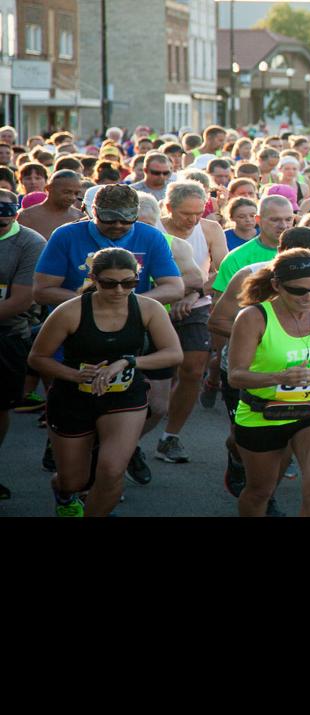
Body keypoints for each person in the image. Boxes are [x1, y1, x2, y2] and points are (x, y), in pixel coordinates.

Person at [27, 248, 183, 515]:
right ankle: (64, 494)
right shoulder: (70, 311)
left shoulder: (148, 308)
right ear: (94, 279)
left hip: (123, 395)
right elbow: (37, 358)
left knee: (111, 471)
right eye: (110, 283)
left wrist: (129, 362)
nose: (120, 290)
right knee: (74, 481)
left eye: (129, 283)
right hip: (73, 397)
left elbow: (173, 353)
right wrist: (75, 375)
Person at [226, 249, 310, 516]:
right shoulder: (254, 318)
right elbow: (235, 376)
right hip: (262, 413)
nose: (308, 297)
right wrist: (279, 377)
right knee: (260, 492)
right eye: (298, 291)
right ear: (276, 285)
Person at [153, 181, 228, 464]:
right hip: (155, 307)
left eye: (199, 212)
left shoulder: (210, 229)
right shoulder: (153, 229)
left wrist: (194, 293)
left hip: (196, 305)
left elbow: (223, 270)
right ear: (169, 208)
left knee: (194, 370)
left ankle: (170, 437)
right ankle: (132, 432)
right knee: (156, 377)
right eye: (186, 214)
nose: (193, 220)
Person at [0, 190, 45, 501]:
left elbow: (21, 299)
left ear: (16, 215)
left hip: (8, 335)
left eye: (5, 219)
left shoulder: (30, 243)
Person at [17, 170, 85, 239]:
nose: (72, 197)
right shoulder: (26, 216)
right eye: (66, 192)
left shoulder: (81, 218)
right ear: (49, 188)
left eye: (76, 193)